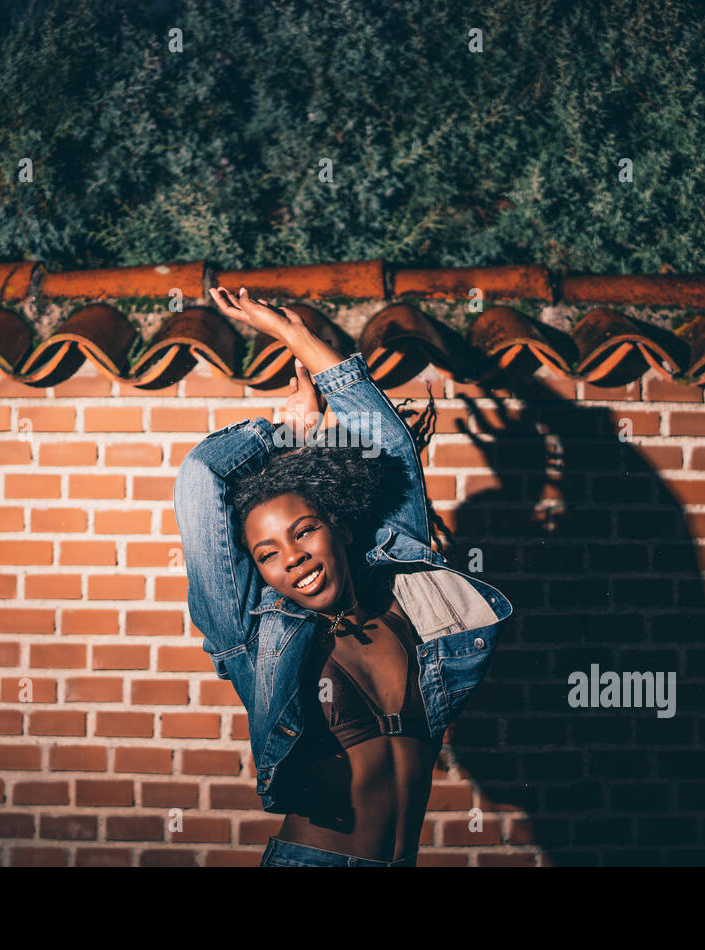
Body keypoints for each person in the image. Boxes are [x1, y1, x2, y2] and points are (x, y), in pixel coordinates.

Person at [173, 287, 514, 866]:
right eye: (267, 552)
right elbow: (202, 477)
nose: (293, 557)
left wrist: (296, 336)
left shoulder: (405, 591)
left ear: (342, 529)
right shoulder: (254, 638)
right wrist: (288, 434)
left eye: (304, 531)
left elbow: (391, 446)